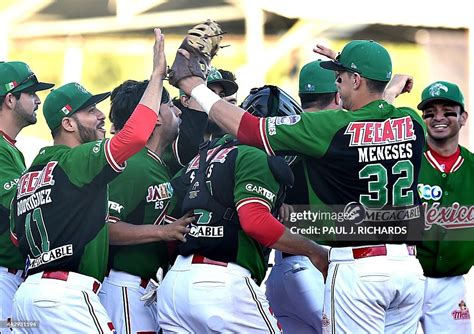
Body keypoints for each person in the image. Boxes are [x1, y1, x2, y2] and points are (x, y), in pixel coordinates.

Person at [175, 38, 426, 333]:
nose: (337, 85)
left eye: (341, 78)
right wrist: (379, 82)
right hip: (408, 270)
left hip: (358, 269)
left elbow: (249, 128)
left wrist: (195, 87)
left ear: (356, 80)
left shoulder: (329, 126)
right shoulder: (411, 122)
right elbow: (381, 109)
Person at [10, 28, 174, 333]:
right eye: (90, 111)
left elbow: (17, 238)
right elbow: (136, 134)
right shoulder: (76, 160)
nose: (100, 115)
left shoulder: (31, 172)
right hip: (67, 295)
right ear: (68, 123)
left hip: (27, 297)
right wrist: (156, 76)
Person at [157, 85, 328, 333]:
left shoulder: (204, 154)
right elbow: (254, 222)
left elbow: (166, 215)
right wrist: (315, 251)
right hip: (223, 282)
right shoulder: (255, 156)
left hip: (175, 285)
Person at [98, 80, 192, 334]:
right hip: (123, 286)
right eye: (170, 105)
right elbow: (103, 228)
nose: (178, 111)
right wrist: (163, 232)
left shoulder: (154, 162)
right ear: (156, 117)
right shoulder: (133, 163)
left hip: (143, 289)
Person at [265, 60, 340, 334]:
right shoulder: (337, 133)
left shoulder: (279, 134)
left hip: (280, 271)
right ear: (337, 95)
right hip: (316, 267)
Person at [415, 81, 473, 333]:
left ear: (463, 117)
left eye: (448, 111)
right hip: (406, 279)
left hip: (451, 285)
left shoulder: (471, 167)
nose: (439, 117)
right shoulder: (407, 162)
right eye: (430, 112)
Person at [0, 61, 54, 325]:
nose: (38, 100)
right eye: (31, 93)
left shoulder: (9, 148)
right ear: (10, 99)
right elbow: (20, 204)